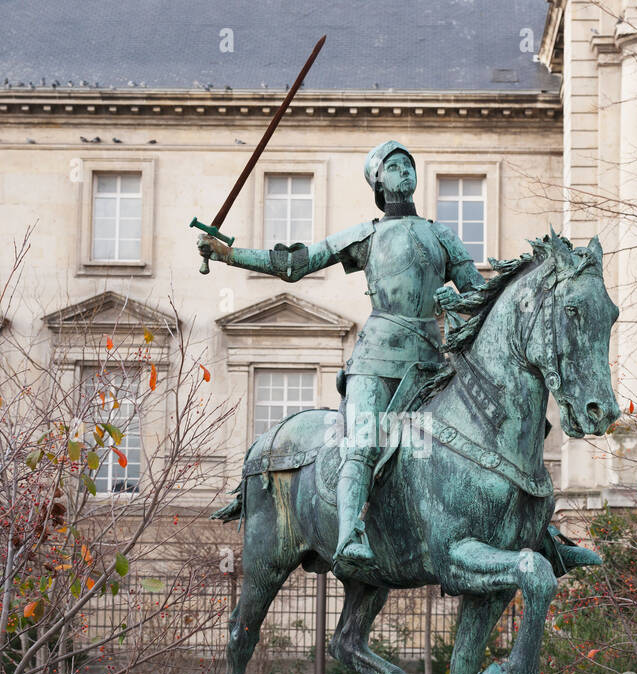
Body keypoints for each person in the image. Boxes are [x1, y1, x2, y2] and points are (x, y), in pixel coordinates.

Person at [198, 141, 486, 569]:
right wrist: (231, 255)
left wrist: (455, 301)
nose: (405, 170)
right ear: (378, 180)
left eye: (409, 163)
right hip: (376, 360)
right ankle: (351, 534)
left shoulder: (442, 235)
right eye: (393, 166)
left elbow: (478, 294)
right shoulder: (366, 234)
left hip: (430, 364)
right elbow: (297, 262)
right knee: (363, 443)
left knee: (475, 434)